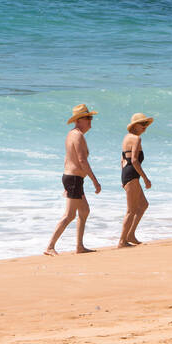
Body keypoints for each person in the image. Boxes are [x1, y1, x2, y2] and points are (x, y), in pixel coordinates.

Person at [44, 104, 102, 255]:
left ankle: (79, 246)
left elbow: (68, 159)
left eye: (91, 118)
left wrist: (68, 180)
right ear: (79, 120)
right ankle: (50, 247)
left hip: (72, 178)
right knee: (69, 215)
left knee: (84, 210)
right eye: (88, 118)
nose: (91, 121)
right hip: (74, 179)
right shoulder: (78, 135)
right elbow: (82, 160)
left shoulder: (72, 134)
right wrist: (95, 181)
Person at [118, 112, 154, 248]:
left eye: (146, 124)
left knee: (143, 204)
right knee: (131, 210)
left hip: (128, 174)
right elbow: (134, 160)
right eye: (142, 124)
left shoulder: (127, 137)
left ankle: (130, 234)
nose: (145, 127)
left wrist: (123, 178)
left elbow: (122, 159)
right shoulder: (136, 139)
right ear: (135, 125)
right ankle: (122, 241)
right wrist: (145, 178)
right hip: (132, 174)